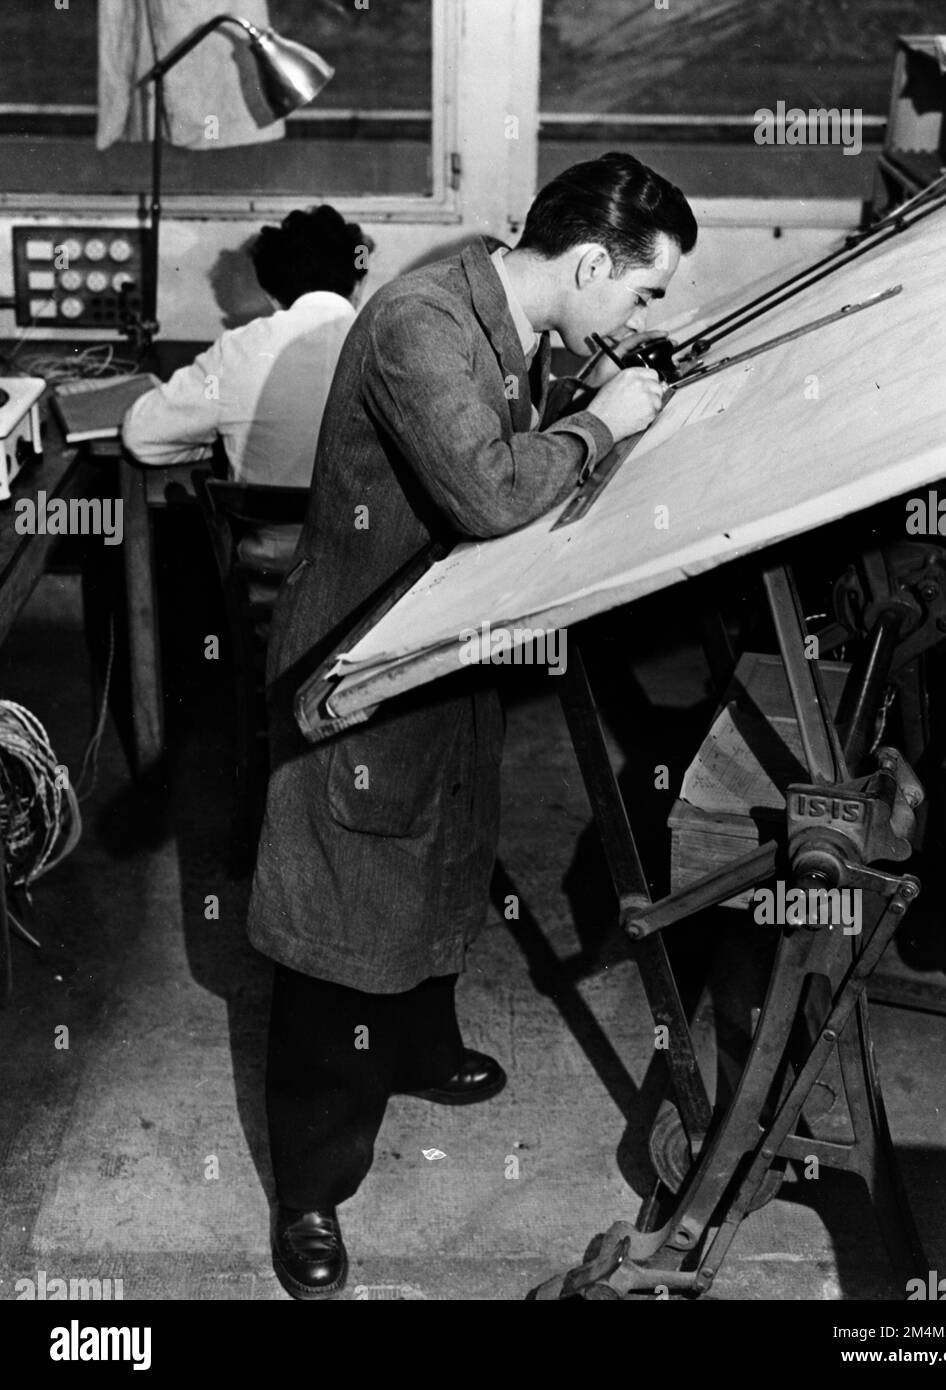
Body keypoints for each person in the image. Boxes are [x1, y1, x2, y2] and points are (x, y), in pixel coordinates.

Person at [246, 153, 698, 1300]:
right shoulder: (419, 324)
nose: (639, 317)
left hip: (442, 651)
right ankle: (309, 1186)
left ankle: (410, 1049)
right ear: (591, 262)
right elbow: (491, 491)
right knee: (338, 918)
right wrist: (600, 424)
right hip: (359, 662)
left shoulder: (504, 316)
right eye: (642, 294)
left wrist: (591, 398)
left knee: (441, 857)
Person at [121, 205, 372, 570]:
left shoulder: (239, 350)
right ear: (358, 284)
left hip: (271, 586)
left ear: (271, 294)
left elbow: (140, 436)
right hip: (379, 589)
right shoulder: (391, 340)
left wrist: (220, 439)